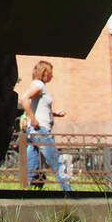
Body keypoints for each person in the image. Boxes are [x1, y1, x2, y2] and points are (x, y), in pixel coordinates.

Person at [20, 60, 70, 191]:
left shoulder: (40, 86)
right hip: (40, 130)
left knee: (33, 165)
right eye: (51, 73)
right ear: (45, 72)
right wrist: (34, 120)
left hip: (36, 130)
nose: (52, 76)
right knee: (57, 162)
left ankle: (29, 192)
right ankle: (68, 193)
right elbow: (24, 99)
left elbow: (39, 107)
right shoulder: (39, 85)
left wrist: (54, 113)